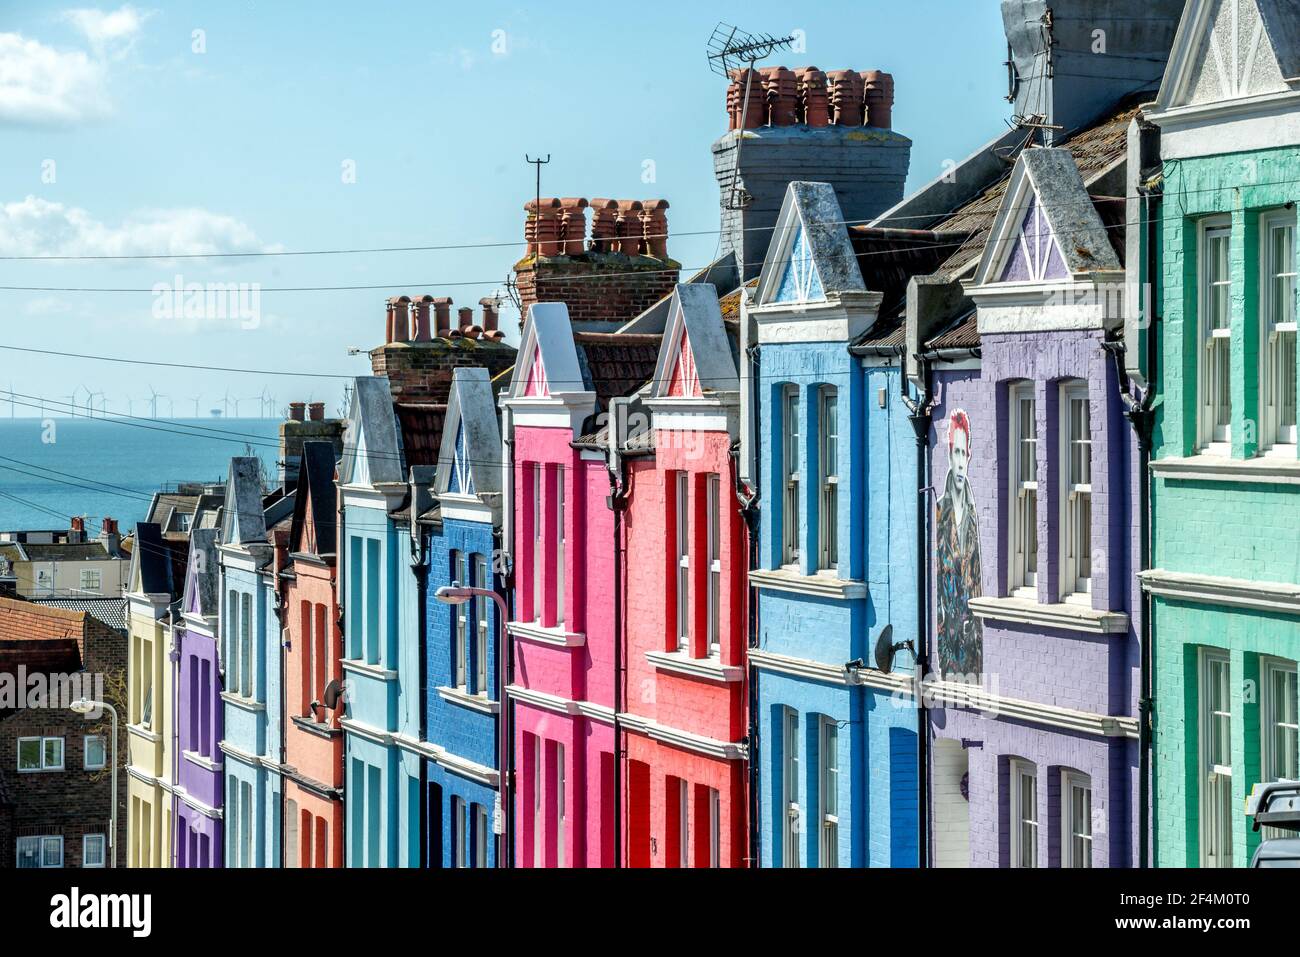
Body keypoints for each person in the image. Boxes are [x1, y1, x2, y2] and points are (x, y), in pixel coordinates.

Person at [935, 409, 983, 679]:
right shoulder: (941, 512)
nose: (961, 462)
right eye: (956, 453)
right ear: (950, 455)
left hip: (973, 645)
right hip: (948, 648)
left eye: (965, 454)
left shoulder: (975, 517)